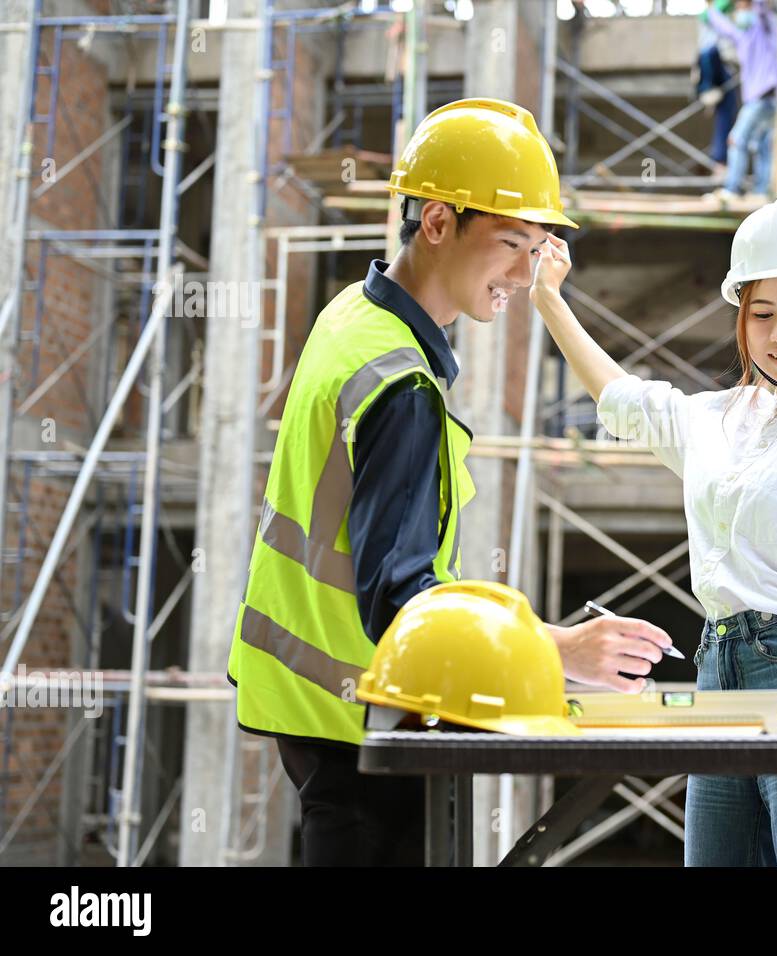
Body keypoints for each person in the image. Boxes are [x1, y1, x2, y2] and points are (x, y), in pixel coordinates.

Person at [226, 98, 677, 866]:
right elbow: (402, 605)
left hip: (319, 711)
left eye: (537, 249)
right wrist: (561, 647)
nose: (523, 274)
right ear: (436, 222)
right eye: (510, 243)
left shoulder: (354, 319)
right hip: (367, 724)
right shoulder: (400, 386)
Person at [531, 198, 777, 866]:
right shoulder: (716, 419)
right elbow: (623, 399)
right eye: (762, 314)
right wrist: (547, 301)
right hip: (720, 670)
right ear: (740, 318)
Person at [705, 0, 777, 203]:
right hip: (769, 100)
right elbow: (724, 27)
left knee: (737, 139)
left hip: (762, 98)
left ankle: (732, 189)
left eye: (741, 7)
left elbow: (763, 7)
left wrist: (753, 6)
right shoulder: (743, 37)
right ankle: (760, 192)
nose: (739, 12)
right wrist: (711, 9)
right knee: (761, 145)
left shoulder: (763, 28)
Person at [695, 0, 740, 181]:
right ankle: (708, 89)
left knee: (726, 116)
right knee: (710, 52)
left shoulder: (718, 13)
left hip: (721, 72)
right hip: (714, 68)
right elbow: (717, 9)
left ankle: (720, 163)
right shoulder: (709, 13)